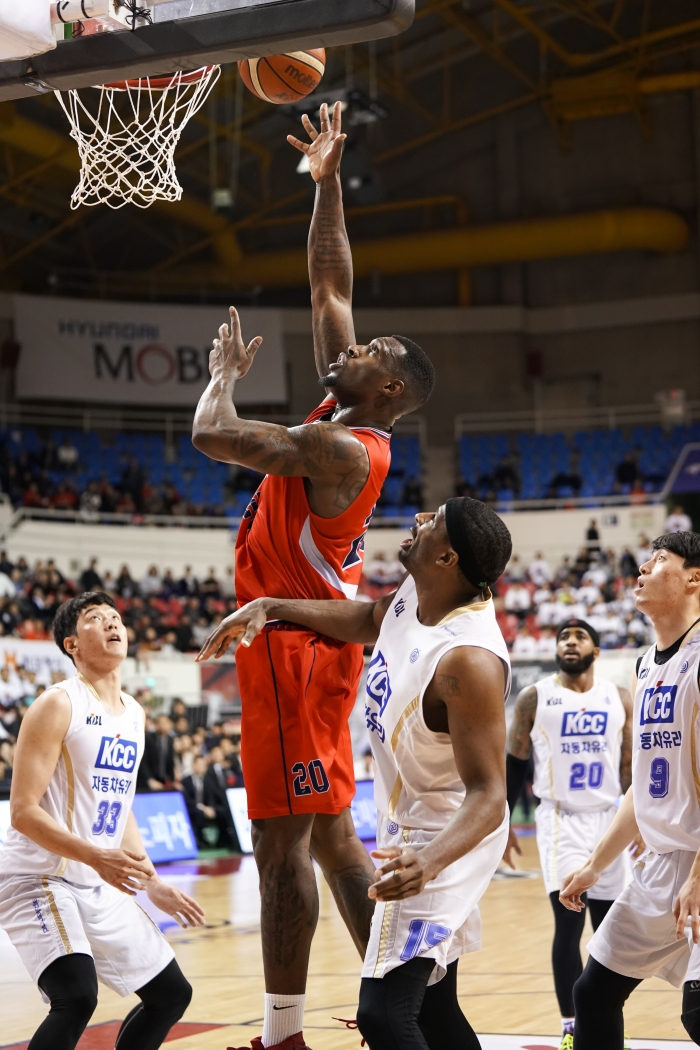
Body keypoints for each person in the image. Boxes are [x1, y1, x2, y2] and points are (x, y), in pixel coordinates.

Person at [191, 102, 435, 1050]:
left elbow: (213, 434)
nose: (350, 339)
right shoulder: (349, 401)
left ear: (386, 394)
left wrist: (220, 374)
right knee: (334, 841)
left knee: (280, 843)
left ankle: (282, 1031)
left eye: (367, 353)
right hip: (300, 635)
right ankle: (400, 1000)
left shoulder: (340, 446)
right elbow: (330, 279)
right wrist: (328, 179)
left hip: (296, 644)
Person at [198, 497, 512, 1050]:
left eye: (433, 522)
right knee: (435, 1013)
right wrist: (272, 606)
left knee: (384, 1015)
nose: (419, 519)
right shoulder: (419, 595)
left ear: (448, 559)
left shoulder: (468, 660)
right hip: (410, 826)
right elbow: (370, 619)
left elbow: (491, 795)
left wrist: (431, 860)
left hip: (442, 838)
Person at [0, 591, 204, 1050]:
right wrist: (96, 857)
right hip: (39, 876)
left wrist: (150, 880)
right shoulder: (57, 704)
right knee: (75, 997)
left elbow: (120, 805)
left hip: (93, 877)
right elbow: (22, 812)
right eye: (97, 619)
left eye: (116, 617)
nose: (113, 624)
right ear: (72, 644)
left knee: (172, 994)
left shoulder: (133, 712)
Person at [560, 531, 700, 1049]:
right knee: (593, 992)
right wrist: (596, 865)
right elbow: (641, 789)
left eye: (659, 559)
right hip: (662, 867)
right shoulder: (645, 665)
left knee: (698, 1014)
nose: (642, 568)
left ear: (694, 578)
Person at [503, 617, 633, 1049]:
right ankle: (571, 1028)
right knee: (569, 922)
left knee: (611, 930)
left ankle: (605, 1025)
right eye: (563, 637)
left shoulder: (619, 698)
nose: (570, 642)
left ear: (596, 651)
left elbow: (630, 767)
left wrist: (640, 822)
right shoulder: (535, 697)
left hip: (609, 817)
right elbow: (516, 761)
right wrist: (504, 822)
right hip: (561, 818)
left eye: (580, 637)